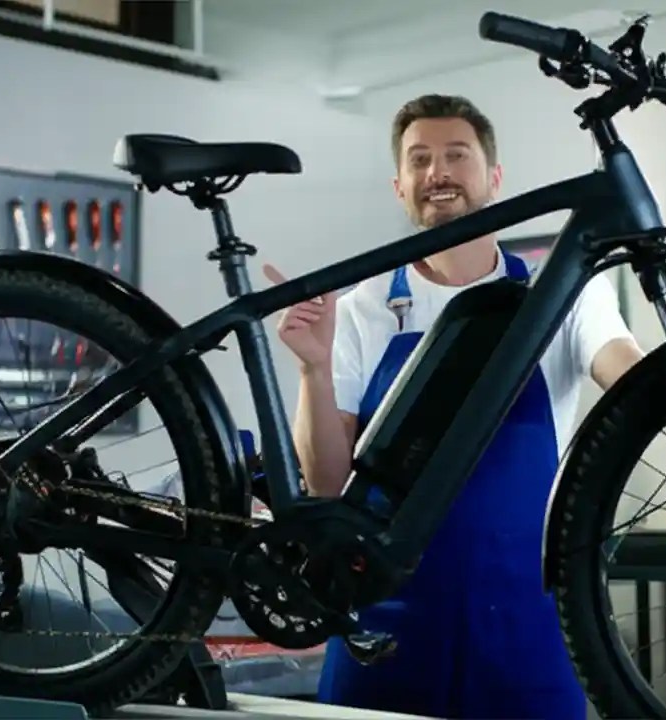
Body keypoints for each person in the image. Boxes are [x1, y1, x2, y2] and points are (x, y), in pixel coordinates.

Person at [262, 93, 645, 720]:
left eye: (455, 155)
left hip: (531, 622)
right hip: (386, 623)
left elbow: (630, 379)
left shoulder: (565, 295)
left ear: (493, 176)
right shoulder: (361, 307)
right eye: (419, 160)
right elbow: (327, 482)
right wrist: (314, 367)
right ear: (399, 186)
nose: (437, 172)